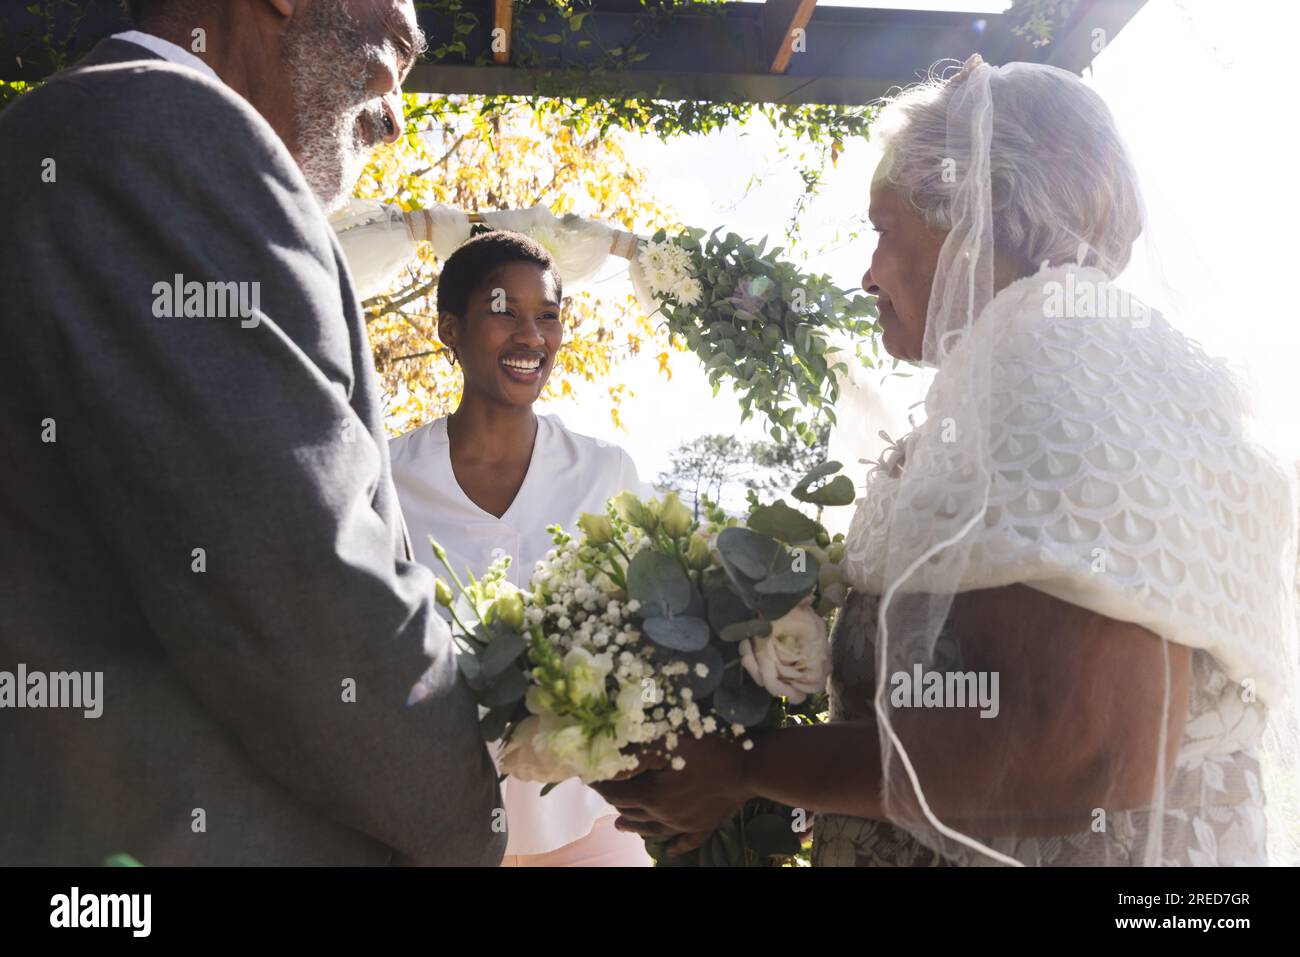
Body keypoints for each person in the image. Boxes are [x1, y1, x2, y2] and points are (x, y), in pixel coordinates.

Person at [592, 55, 1300, 866]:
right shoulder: (1087, 363)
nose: (865, 273)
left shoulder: (1058, 360)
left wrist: (747, 769)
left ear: (975, 219)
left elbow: (1086, 746)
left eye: (884, 229)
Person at [0, 0, 504, 864]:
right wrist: (471, 819)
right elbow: (298, 586)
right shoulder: (164, 127)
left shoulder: (95, 129)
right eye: (392, 60)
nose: (394, 117)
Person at [389, 230, 655, 866]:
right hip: (431, 821)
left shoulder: (606, 473)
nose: (532, 336)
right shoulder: (385, 476)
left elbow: (653, 638)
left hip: (591, 818)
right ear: (449, 329)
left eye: (548, 316)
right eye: (504, 310)